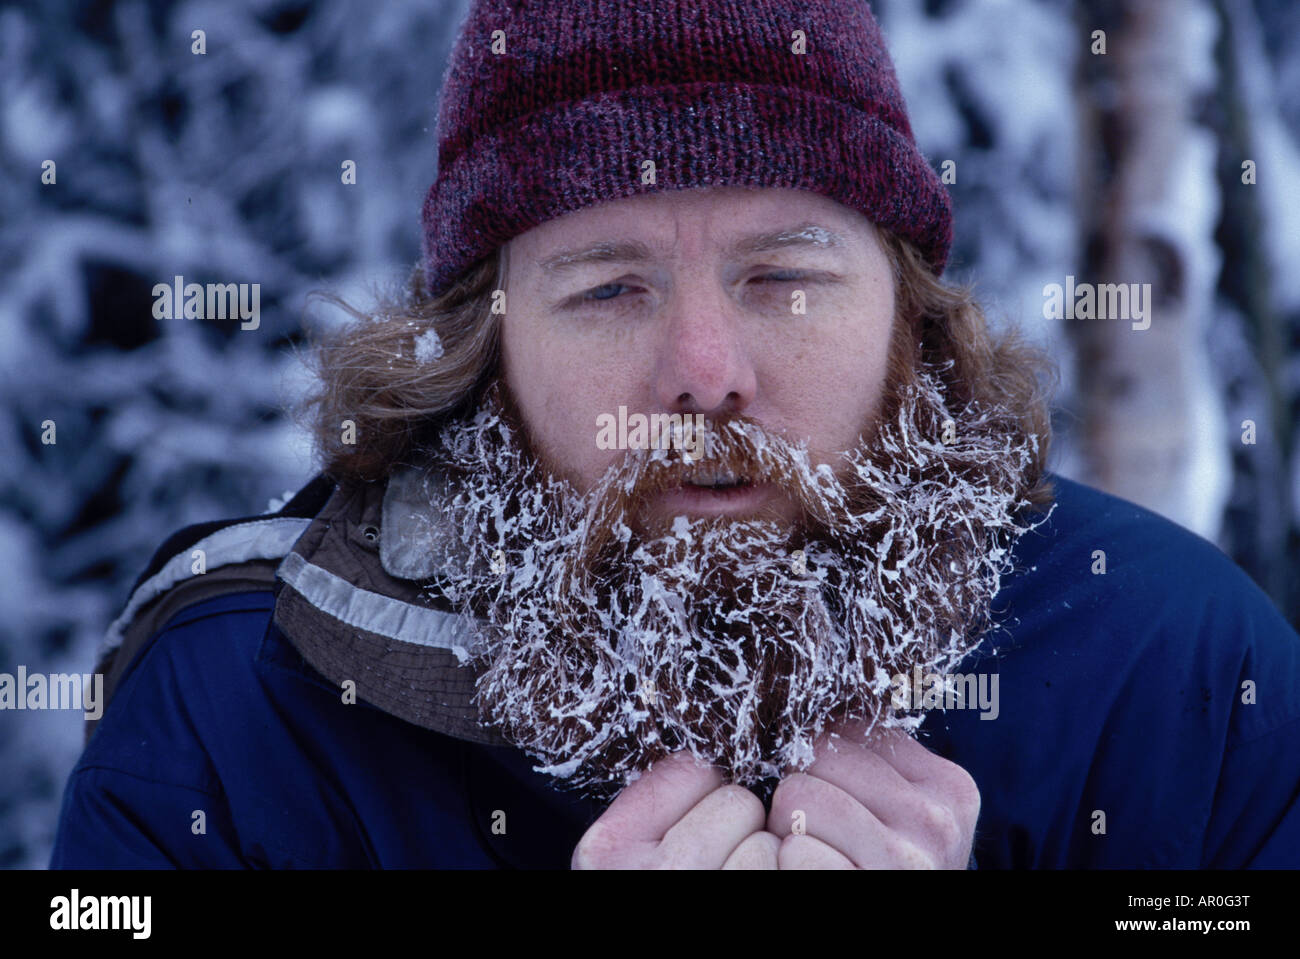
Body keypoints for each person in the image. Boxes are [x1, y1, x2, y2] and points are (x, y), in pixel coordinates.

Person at [50, 0, 1300, 869]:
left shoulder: (1180, 680)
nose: (704, 375)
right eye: (607, 288)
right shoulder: (239, 716)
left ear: (910, 314)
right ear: (485, 349)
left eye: (784, 278)